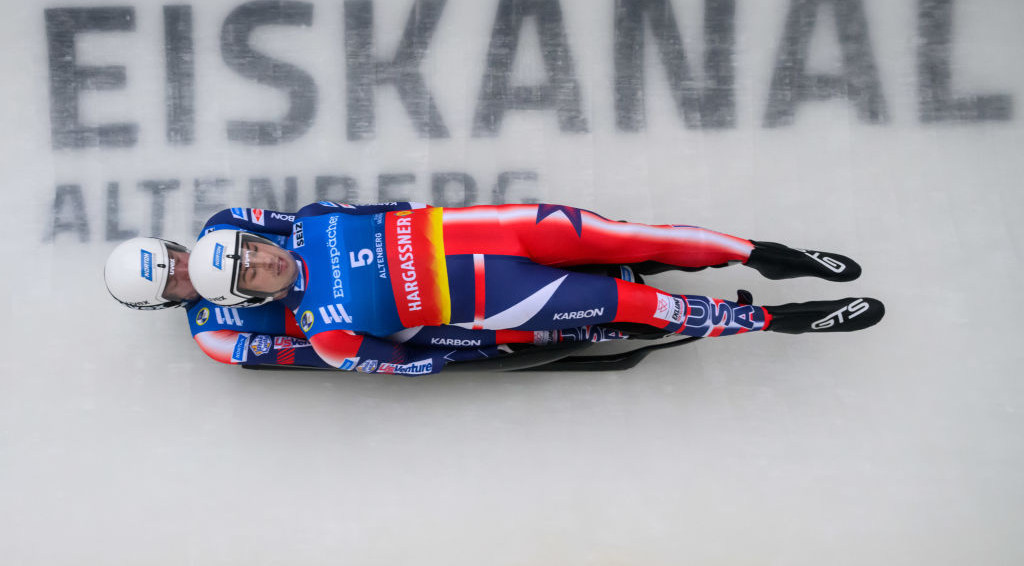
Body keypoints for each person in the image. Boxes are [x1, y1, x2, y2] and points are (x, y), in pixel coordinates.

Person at [187, 202, 885, 376]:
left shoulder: (312, 220)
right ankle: (781, 320)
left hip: (506, 228)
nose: (261, 261)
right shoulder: (325, 332)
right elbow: (417, 360)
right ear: (253, 298)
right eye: (248, 272)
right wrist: (485, 346)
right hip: (507, 294)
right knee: (652, 306)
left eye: (251, 249)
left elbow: (387, 207)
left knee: (631, 236)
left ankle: (765, 254)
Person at [104, 203, 635, 370]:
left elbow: (300, 228)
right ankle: (572, 326)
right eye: (171, 283)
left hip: (362, 271)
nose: (180, 271)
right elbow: (298, 355)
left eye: (172, 259)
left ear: (172, 244)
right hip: (354, 321)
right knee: (451, 330)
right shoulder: (212, 336)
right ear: (164, 304)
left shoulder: (224, 226)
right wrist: (363, 347)